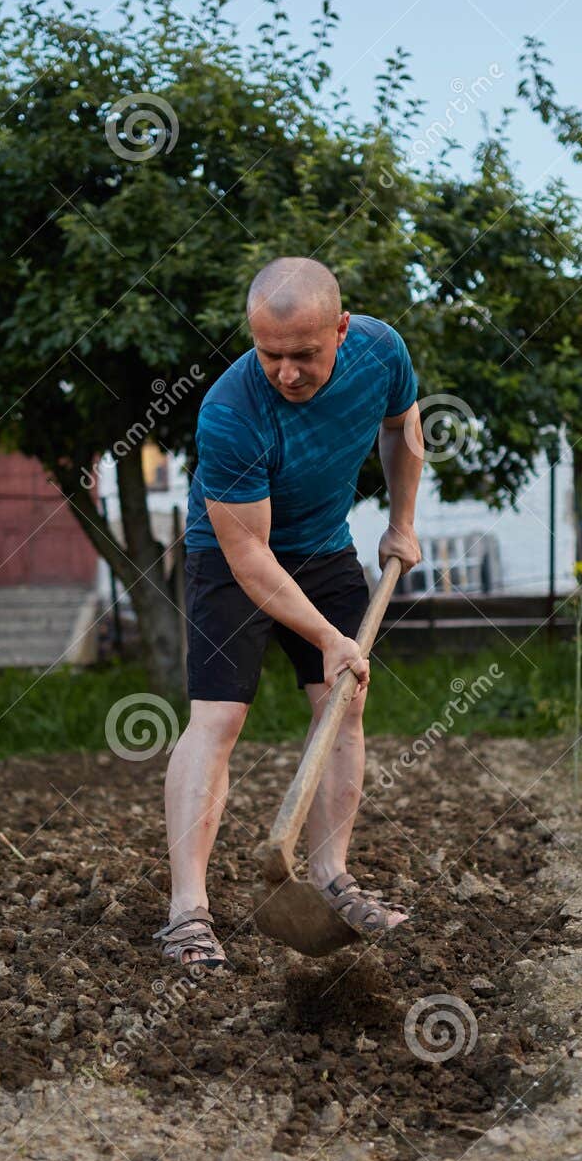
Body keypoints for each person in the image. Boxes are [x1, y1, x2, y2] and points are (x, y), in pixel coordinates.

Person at [157, 256, 423, 969]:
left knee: (342, 706)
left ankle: (332, 878)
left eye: (304, 354)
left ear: (340, 329)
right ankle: (187, 911)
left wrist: (401, 522)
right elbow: (249, 560)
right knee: (218, 717)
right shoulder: (228, 411)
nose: (286, 373)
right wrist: (330, 637)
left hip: (322, 547)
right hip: (230, 551)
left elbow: (401, 428)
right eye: (269, 354)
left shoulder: (381, 350)